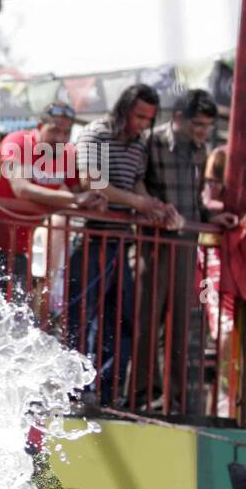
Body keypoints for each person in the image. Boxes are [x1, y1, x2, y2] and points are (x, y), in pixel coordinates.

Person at [68, 84, 180, 404]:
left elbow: (136, 183)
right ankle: (74, 391)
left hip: (118, 241)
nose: (143, 123)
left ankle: (105, 393)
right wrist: (140, 203)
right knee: (82, 318)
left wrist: (155, 206)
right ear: (124, 109)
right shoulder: (95, 133)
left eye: (149, 118)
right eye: (139, 116)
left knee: (121, 320)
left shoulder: (138, 145)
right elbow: (92, 181)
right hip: (90, 236)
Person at [134, 90, 238, 411]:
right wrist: (155, 209)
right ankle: (142, 394)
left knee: (183, 322)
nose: (202, 131)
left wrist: (210, 216)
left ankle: (178, 397)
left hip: (186, 243)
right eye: (198, 124)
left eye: (207, 125)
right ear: (178, 117)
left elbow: (194, 199)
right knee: (147, 320)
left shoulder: (199, 149)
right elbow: (136, 186)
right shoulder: (150, 142)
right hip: (153, 242)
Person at [0, 103, 106, 299]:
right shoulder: (17, 141)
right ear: (40, 126)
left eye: (66, 132)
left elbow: (82, 190)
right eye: (55, 130)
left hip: (19, 245)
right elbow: (21, 188)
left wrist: (95, 197)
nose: (60, 138)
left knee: (19, 315)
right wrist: (76, 199)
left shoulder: (68, 153)